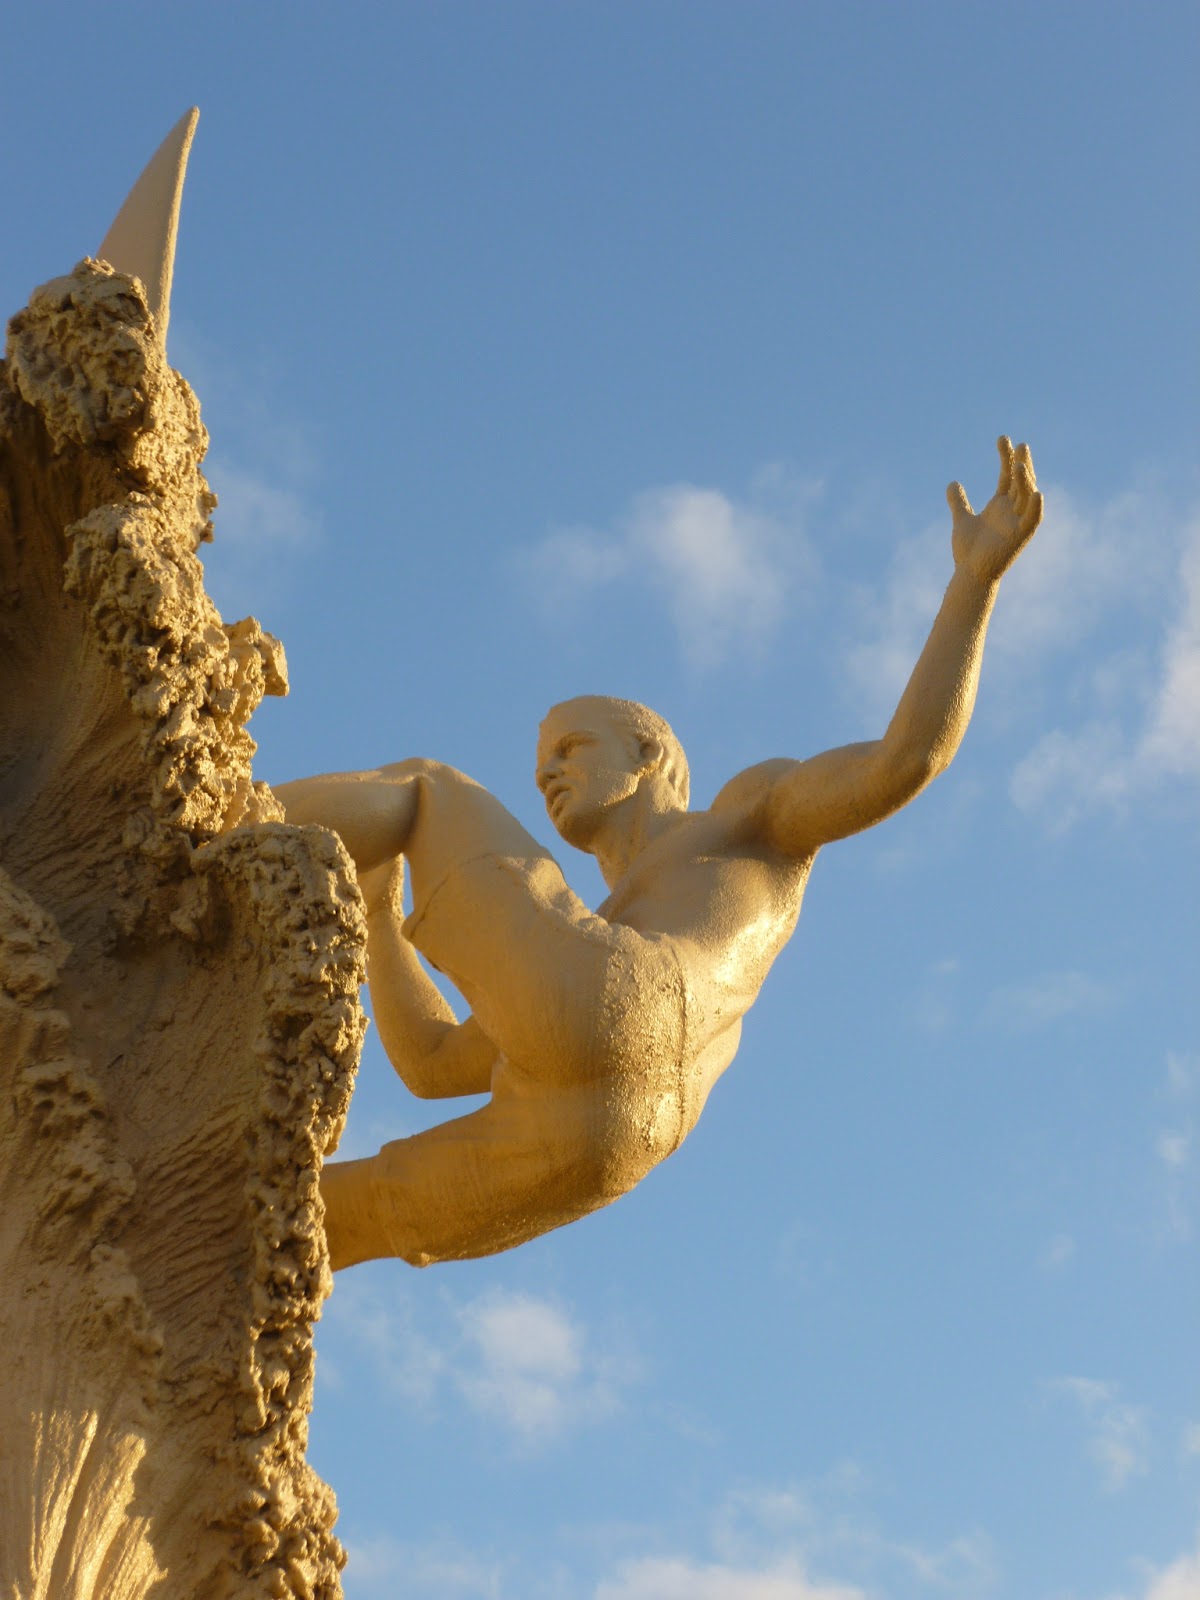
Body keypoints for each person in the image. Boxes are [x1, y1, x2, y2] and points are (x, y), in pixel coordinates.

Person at [277, 438, 1043, 1271]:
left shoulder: (741, 818)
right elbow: (430, 1066)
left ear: (649, 754)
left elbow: (901, 762)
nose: (545, 771)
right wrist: (381, 915)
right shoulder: (595, 934)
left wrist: (973, 584)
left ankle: (202, 811)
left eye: (572, 746)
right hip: (609, 1140)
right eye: (542, 763)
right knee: (302, 1218)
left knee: (428, 787)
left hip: (633, 1009)